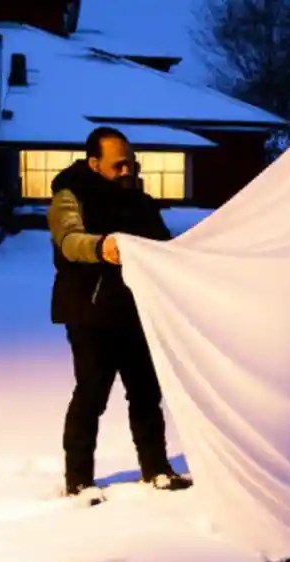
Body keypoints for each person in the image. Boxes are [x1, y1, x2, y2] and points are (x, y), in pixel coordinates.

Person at [47, 126, 192, 505]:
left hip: (135, 311)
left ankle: (157, 469)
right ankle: (79, 480)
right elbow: (69, 241)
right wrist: (101, 246)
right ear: (94, 163)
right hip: (90, 312)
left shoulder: (140, 201)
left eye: (131, 163)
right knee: (91, 396)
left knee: (146, 393)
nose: (127, 171)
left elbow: (164, 247)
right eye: (118, 165)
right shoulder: (69, 194)